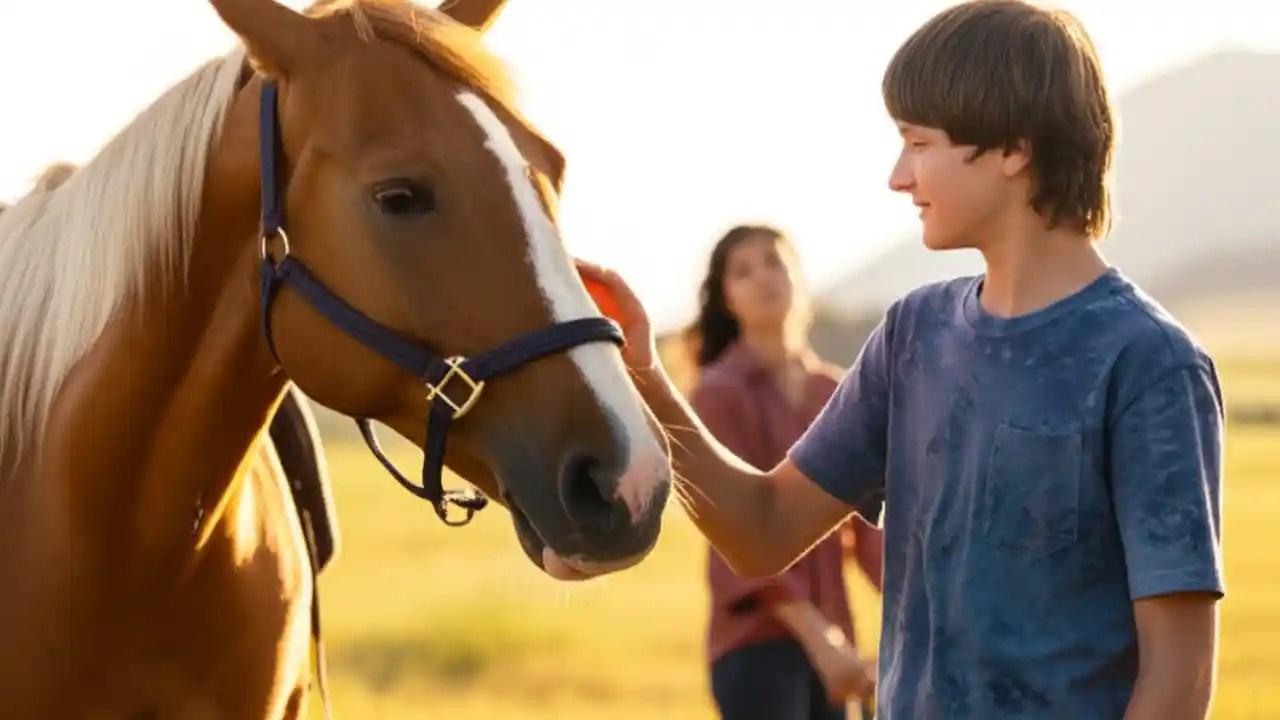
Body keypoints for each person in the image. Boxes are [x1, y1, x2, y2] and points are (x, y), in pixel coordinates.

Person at [577, 2, 1225, 718]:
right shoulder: (913, 336)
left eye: (919, 143)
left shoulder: (1150, 363)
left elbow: (1180, 671)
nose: (897, 175)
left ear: (1013, 147)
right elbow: (762, 533)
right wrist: (644, 377)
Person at [683, 224, 882, 719]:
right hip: (758, 648)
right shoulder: (717, 394)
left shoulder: (837, 391)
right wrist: (822, 641)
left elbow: (870, 532)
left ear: (798, 274)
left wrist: (919, 625)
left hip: (838, 646)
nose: (763, 278)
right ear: (726, 297)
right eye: (743, 271)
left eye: (773, 262)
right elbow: (738, 535)